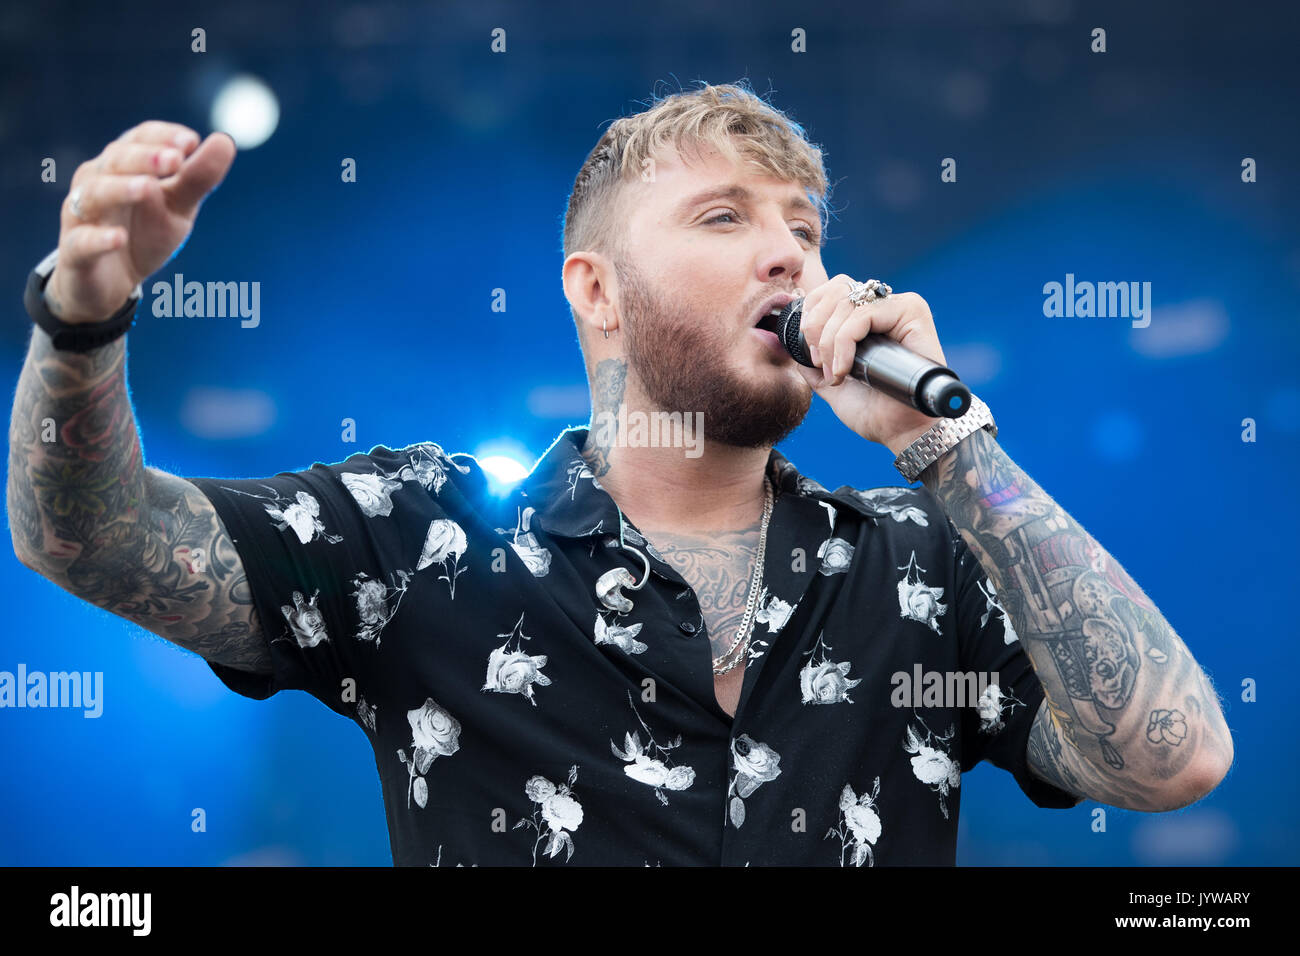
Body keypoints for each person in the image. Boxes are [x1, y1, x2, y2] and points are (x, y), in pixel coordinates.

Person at [9, 82, 1232, 866]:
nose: (788, 257)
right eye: (724, 218)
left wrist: (950, 447)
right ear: (596, 291)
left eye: (805, 228)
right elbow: (89, 537)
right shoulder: (419, 536)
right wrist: (81, 322)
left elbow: (1170, 758)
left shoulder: (920, 555)